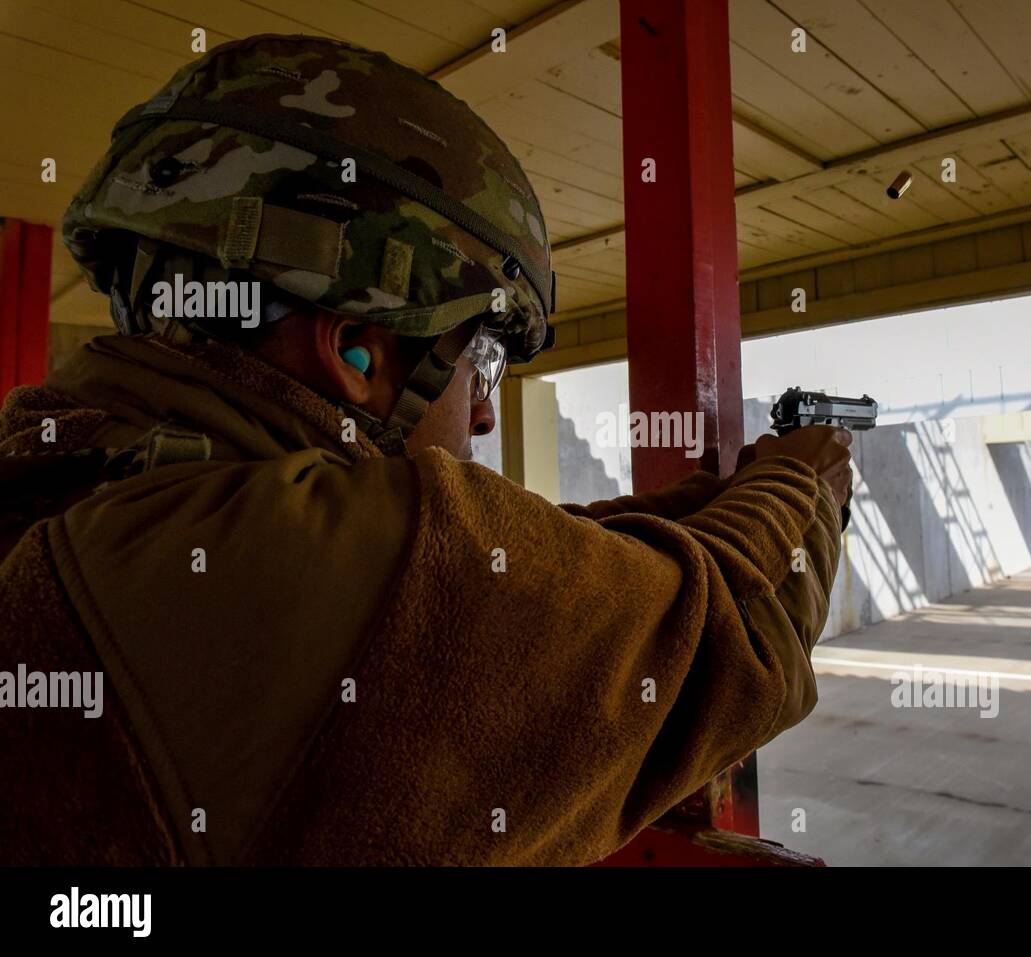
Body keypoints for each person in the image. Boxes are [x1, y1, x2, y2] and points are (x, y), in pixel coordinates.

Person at [0, 34, 850, 866]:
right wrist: (802, 473)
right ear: (359, 349)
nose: (482, 416)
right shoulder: (311, 562)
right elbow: (734, 636)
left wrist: (701, 496)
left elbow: (538, 561)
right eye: (482, 361)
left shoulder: (70, 473)